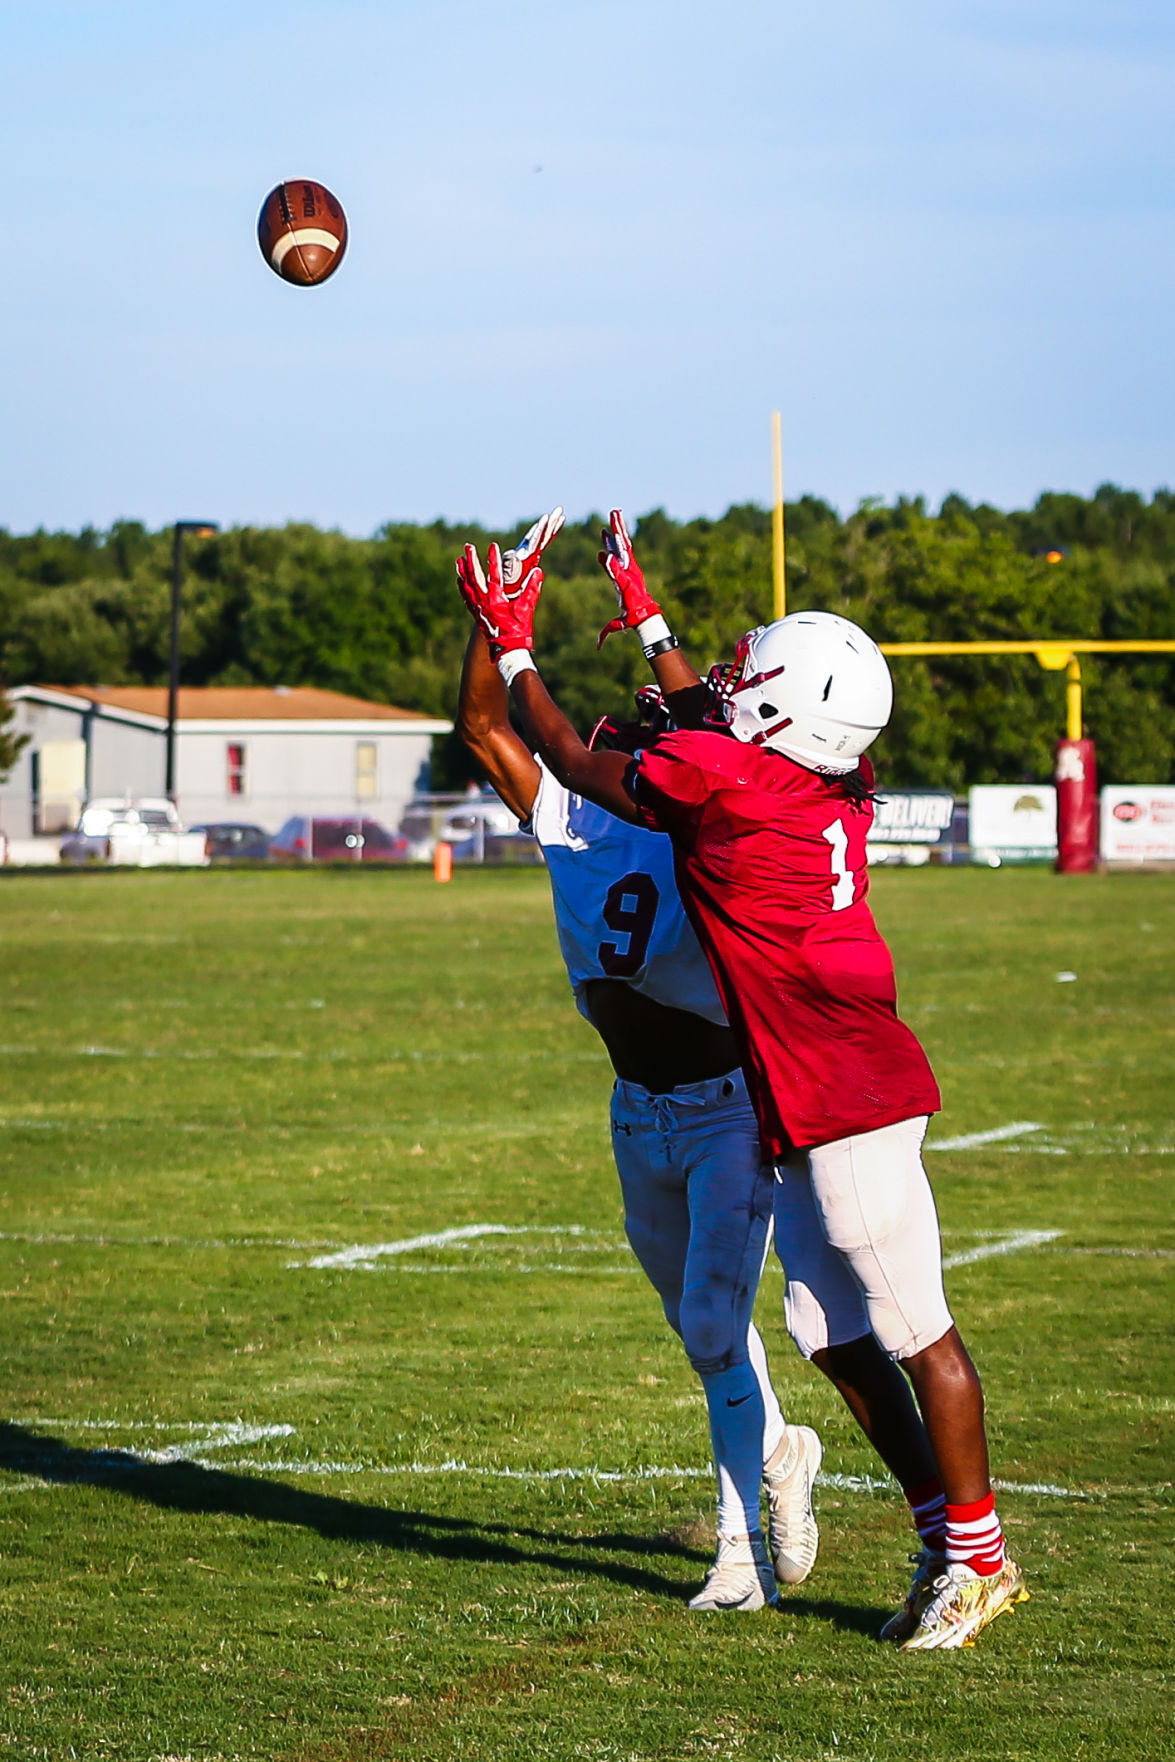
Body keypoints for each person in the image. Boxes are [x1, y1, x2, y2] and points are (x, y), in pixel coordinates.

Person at [455, 510, 1028, 1653]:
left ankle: (979, 1556)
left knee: (919, 1330)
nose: (727, 681)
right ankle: (937, 1534)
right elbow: (725, 720)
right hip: (807, 1085)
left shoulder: (730, 790)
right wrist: (648, 618)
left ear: (775, 715)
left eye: (752, 678)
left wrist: (515, 645)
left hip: (838, 1087)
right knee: (826, 1329)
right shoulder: (818, 778)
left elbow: (576, 754)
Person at [455, 512, 823, 1613]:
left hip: (725, 1109)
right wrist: (493, 618)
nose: (646, 736)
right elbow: (481, 729)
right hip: (634, 1112)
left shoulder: (714, 824)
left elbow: (719, 734)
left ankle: (734, 1553)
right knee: (703, 1334)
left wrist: (644, 627)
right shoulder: (569, 814)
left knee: (713, 1324)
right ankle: (782, 1449)